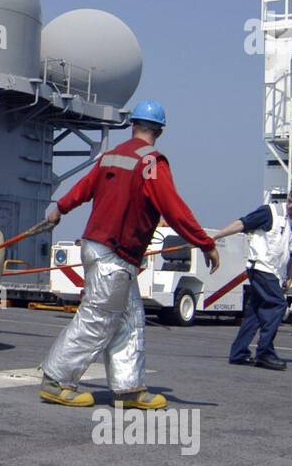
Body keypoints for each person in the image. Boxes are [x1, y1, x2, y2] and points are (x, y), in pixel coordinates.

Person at [39, 100, 220, 410]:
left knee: (130, 319)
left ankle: (128, 388)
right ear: (160, 130)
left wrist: (60, 208)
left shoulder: (111, 156)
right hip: (114, 252)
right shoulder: (152, 162)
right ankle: (57, 380)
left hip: (101, 247)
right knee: (98, 318)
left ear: (133, 125)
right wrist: (204, 242)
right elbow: (173, 208)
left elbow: (84, 187)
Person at [212, 185, 292, 371]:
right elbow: (243, 223)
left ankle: (238, 353)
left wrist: (288, 277)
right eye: (291, 199)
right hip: (260, 267)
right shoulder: (270, 212)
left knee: (256, 312)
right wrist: (216, 236)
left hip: (275, 273)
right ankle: (265, 353)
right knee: (278, 305)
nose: (291, 204)